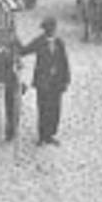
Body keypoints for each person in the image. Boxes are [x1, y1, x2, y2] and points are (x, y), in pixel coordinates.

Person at [21, 17, 71, 146]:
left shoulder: (59, 43)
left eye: (53, 28)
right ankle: (42, 135)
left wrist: (66, 80)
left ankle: (50, 134)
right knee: (43, 108)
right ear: (45, 29)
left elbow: (64, 62)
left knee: (55, 109)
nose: (51, 31)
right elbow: (24, 51)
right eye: (49, 28)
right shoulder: (39, 42)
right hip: (43, 82)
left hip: (56, 82)